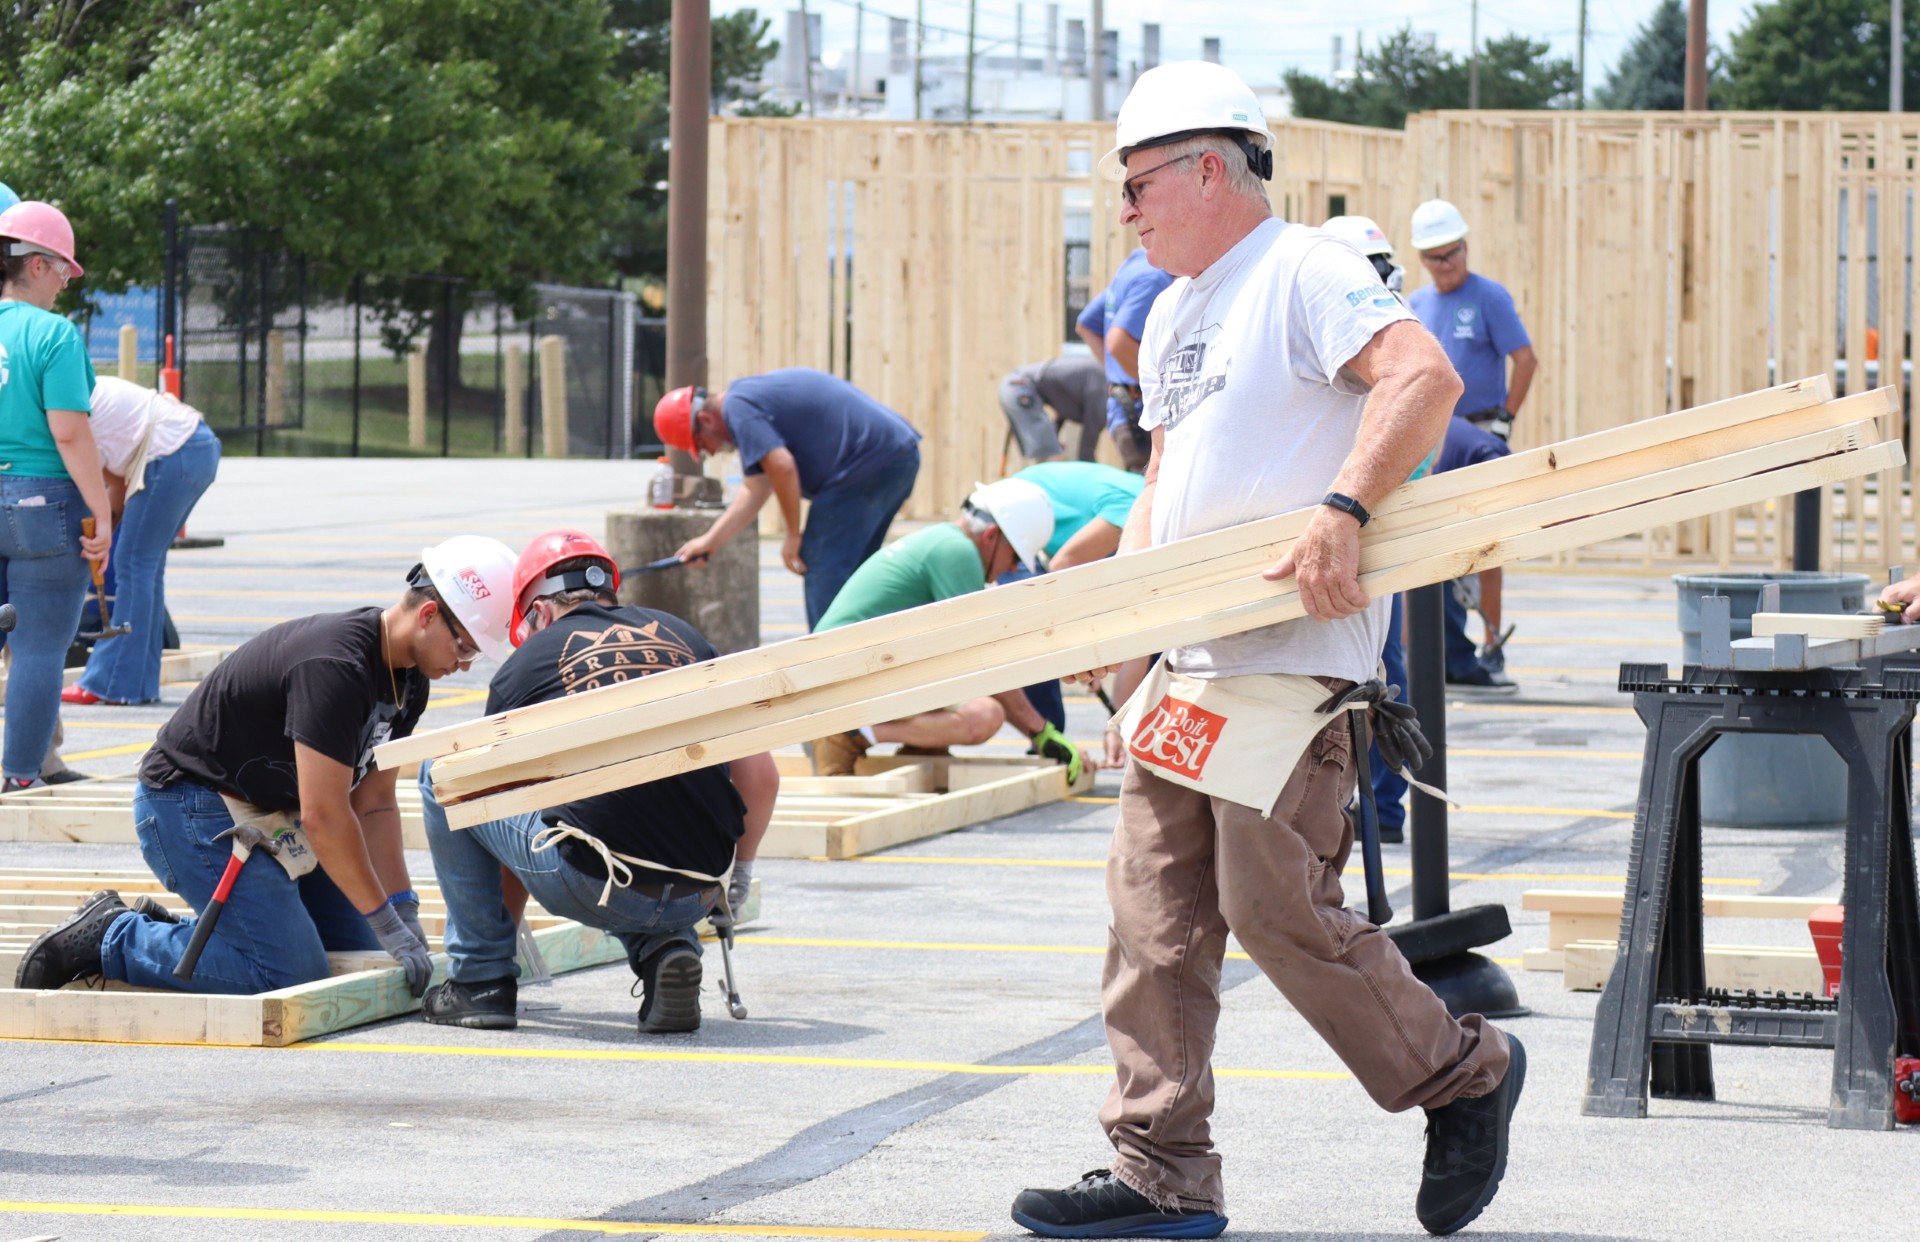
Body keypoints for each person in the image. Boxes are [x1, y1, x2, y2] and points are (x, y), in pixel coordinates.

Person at [1011, 62, 1524, 1241]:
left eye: (1137, 185)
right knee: (1151, 918)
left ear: (1208, 169)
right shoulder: (1174, 308)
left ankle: (1465, 1076)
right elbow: (1164, 481)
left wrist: (1342, 509)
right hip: (1191, 667)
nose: (1125, 212)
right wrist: (1130, 637)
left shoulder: (1306, 269)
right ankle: (1160, 1174)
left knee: (1271, 902)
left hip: (1292, 662)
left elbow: (1423, 377)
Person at [11, 538, 520, 997]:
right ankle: (113, 936)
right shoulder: (337, 668)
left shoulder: (408, 681)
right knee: (290, 974)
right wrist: (386, 920)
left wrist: (400, 907)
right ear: (428, 614)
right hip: (190, 805)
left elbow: (374, 803)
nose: (465, 662)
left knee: (363, 953)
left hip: (271, 814)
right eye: (465, 645)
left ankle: (199, 932)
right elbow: (325, 815)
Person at [416, 529, 779, 1033]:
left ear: (538, 612)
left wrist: (496, 955)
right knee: (638, 821)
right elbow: (761, 773)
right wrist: (737, 873)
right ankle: (665, 947)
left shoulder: (530, 663)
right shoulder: (685, 638)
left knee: (443, 774)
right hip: (697, 890)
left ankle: (479, 981)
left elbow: (491, 797)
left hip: (594, 882)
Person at [808, 478, 1091, 782]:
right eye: (1014, 558)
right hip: (838, 686)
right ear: (991, 536)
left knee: (951, 675)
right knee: (985, 714)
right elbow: (983, 662)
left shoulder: (944, 541)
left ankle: (919, 748)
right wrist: (1040, 731)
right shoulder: (958, 552)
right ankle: (851, 734)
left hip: (840, 677)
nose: (1011, 569)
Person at [654, 369, 922, 630]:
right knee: (857, 576)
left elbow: (782, 467)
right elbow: (755, 489)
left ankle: (831, 651)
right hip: (897, 457)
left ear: (706, 420)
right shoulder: (747, 399)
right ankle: (866, 646)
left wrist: (792, 535)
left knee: (822, 566)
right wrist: (709, 541)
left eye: (702, 445)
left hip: (865, 467)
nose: (711, 453)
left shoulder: (738, 409)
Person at [0, 201, 113, 793]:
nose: (66, 283)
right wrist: (102, 511)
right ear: (37, 264)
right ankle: (21, 774)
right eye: (65, 270)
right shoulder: (52, 334)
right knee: (39, 648)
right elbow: (69, 432)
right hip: (43, 501)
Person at [61, 377, 221, 705]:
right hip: (193, 447)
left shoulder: (62, 409)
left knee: (134, 564)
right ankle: (137, 685)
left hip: (173, 451)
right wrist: (105, 533)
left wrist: (103, 532)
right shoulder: (69, 391)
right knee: (144, 566)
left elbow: (97, 476)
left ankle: (110, 684)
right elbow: (116, 481)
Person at [1007, 460, 1145, 736]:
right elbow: (1063, 568)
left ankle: (1125, 730)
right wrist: (1085, 647)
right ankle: (1049, 744)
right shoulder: (1133, 506)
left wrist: (1116, 727)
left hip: (1043, 539)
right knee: (1040, 639)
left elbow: (1140, 632)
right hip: (1010, 522)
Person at [1406, 199, 1538, 442]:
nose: (1446, 264)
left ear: (1465, 247)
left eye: (1451, 254)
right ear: (1422, 259)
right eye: (1436, 258)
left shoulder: (1490, 296)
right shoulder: (1414, 304)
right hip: (1433, 433)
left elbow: (1526, 360)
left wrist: (1506, 418)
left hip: (1481, 427)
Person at [1435, 416, 1516, 692]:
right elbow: (1491, 565)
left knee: (1443, 577)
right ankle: (1448, 662)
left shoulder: (1493, 459)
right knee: (1430, 579)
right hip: (1432, 491)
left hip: (1442, 483)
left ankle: (1447, 660)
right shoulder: (1494, 467)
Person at [1077, 247, 1175, 471]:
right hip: (1139, 416)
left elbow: (1086, 325)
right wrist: (1156, 389)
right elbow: (1117, 342)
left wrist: (1118, 374)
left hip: (1123, 410)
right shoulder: (1153, 279)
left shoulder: (1133, 269)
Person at [998, 355, 1110, 462]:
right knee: (1054, 456)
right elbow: (1086, 454)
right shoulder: (1102, 392)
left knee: (1051, 454)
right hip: (1020, 388)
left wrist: (1053, 442)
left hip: (1013, 385)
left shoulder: (1093, 380)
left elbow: (1063, 411)